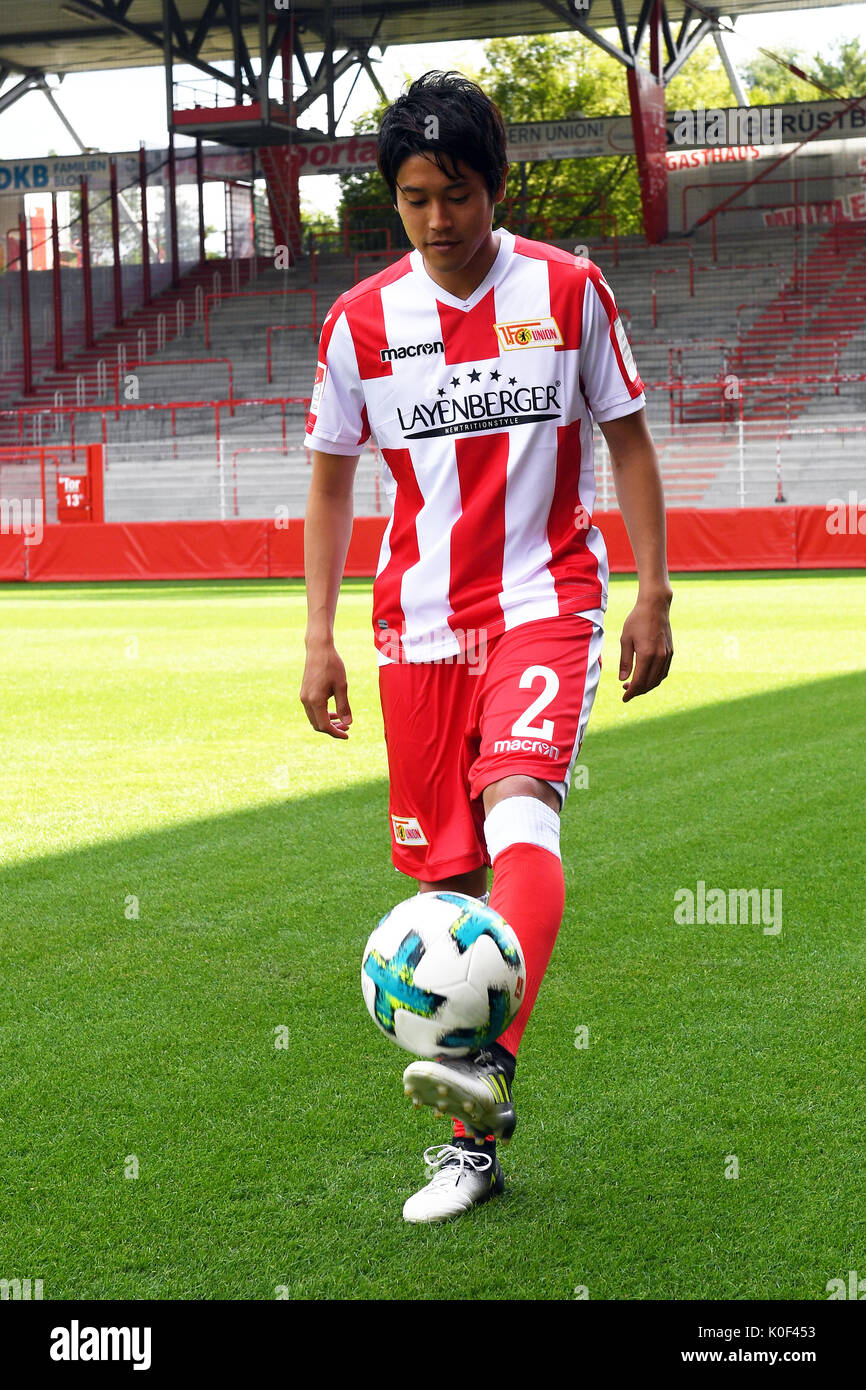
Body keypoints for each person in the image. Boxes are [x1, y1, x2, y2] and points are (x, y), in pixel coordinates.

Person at [300, 71, 673, 1223]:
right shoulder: (359, 323)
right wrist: (314, 633)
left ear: (494, 185)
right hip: (414, 626)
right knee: (447, 889)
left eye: (454, 193)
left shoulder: (566, 292)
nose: (436, 220)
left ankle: (487, 1061)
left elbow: (627, 442)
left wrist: (651, 586)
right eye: (413, 199)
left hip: (541, 599)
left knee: (519, 806)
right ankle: (470, 1147)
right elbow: (328, 480)